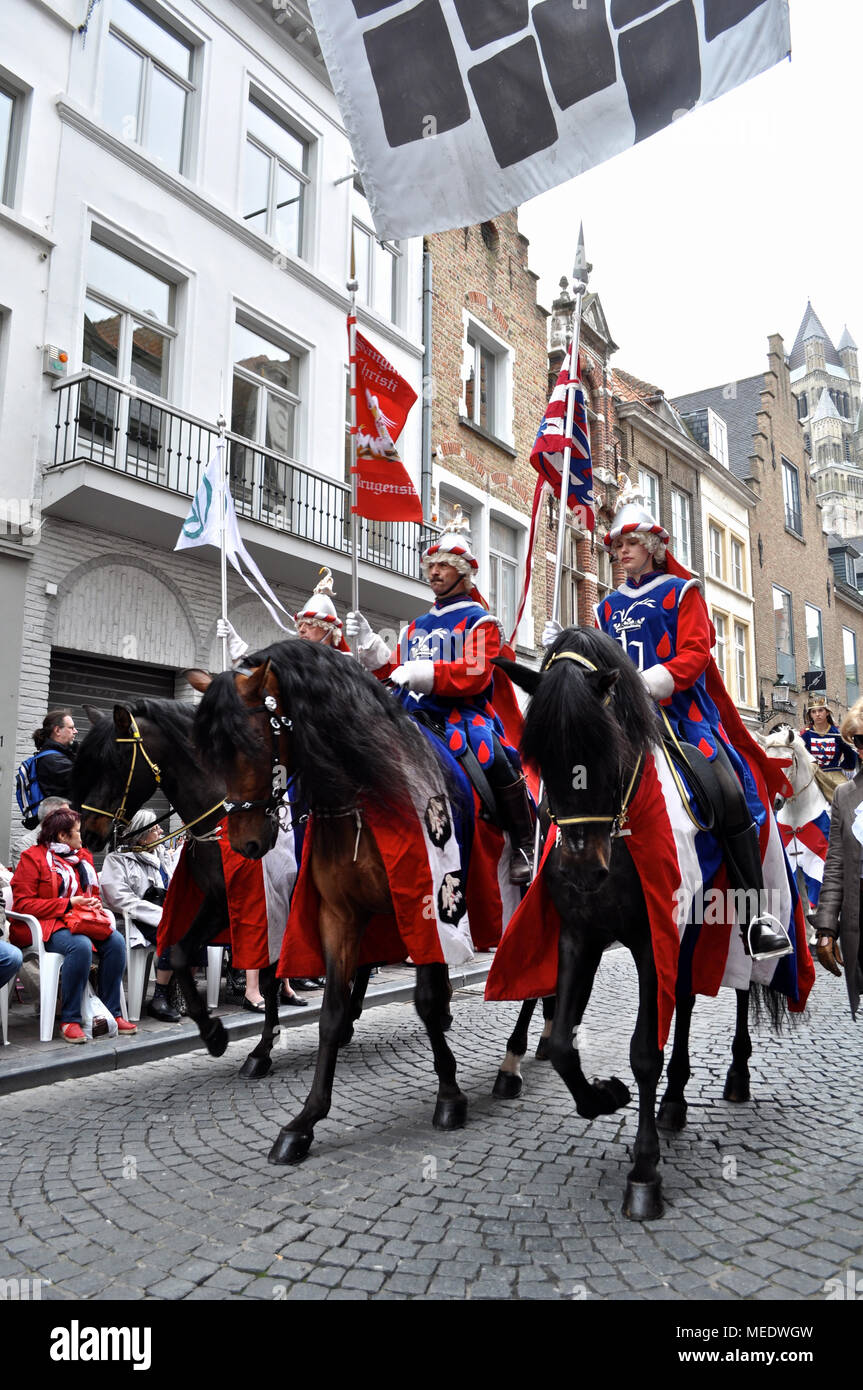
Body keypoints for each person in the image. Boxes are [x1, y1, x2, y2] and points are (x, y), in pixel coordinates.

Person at [546, 485, 791, 960]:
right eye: (616, 546)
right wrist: (565, 649)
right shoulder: (606, 607)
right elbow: (594, 663)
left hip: (680, 716)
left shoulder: (683, 592)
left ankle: (755, 917)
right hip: (619, 720)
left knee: (731, 788)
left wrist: (657, 679)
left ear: (653, 547)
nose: (620, 553)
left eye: (629, 544)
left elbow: (698, 652)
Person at [345, 510, 536, 884]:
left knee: (496, 757)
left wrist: (423, 673)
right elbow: (394, 673)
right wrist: (371, 648)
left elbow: (475, 675)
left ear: (463, 573)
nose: (434, 572)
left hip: (464, 716)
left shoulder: (481, 621)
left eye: (444, 566)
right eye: (431, 566)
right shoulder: (416, 625)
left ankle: (523, 842)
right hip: (414, 713)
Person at [11, 807, 136, 1043]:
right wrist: (67, 903)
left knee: (116, 942)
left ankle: (111, 1013)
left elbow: (92, 893)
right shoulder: (32, 858)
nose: (82, 836)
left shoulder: (83, 858)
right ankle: (70, 1019)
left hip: (78, 920)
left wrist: (94, 905)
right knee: (79, 946)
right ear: (62, 836)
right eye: (78, 831)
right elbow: (23, 905)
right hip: (46, 925)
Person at [100, 808, 182, 1022]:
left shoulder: (161, 855)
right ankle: (160, 997)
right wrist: (161, 915)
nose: (161, 832)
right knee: (174, 934)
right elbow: (120, 899)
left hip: (163, 913)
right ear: (142, 834)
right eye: (155, 828)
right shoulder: (117, 860)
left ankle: (178, 993)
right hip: (135, 919)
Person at [813, 696, 863, 1019]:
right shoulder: (845, 796)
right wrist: (827, 928)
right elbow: (835, 866)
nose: (861, 748)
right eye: (859, 740)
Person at [799, 695, 856, 775]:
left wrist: (842, 768)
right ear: (810, 715)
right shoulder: (805, 735)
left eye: (820, 710)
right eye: (814, 712)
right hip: (814, 775)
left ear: (827, 712)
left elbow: (850, 754)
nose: (817, 714)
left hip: (834, 774)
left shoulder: (837, 734)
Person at [30, 710, 79, 801]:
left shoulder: (58, 755)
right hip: (60, 814)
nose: (75, 731)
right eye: (71, 728)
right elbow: (86, 780)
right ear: (57, 730)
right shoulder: (53, 760)